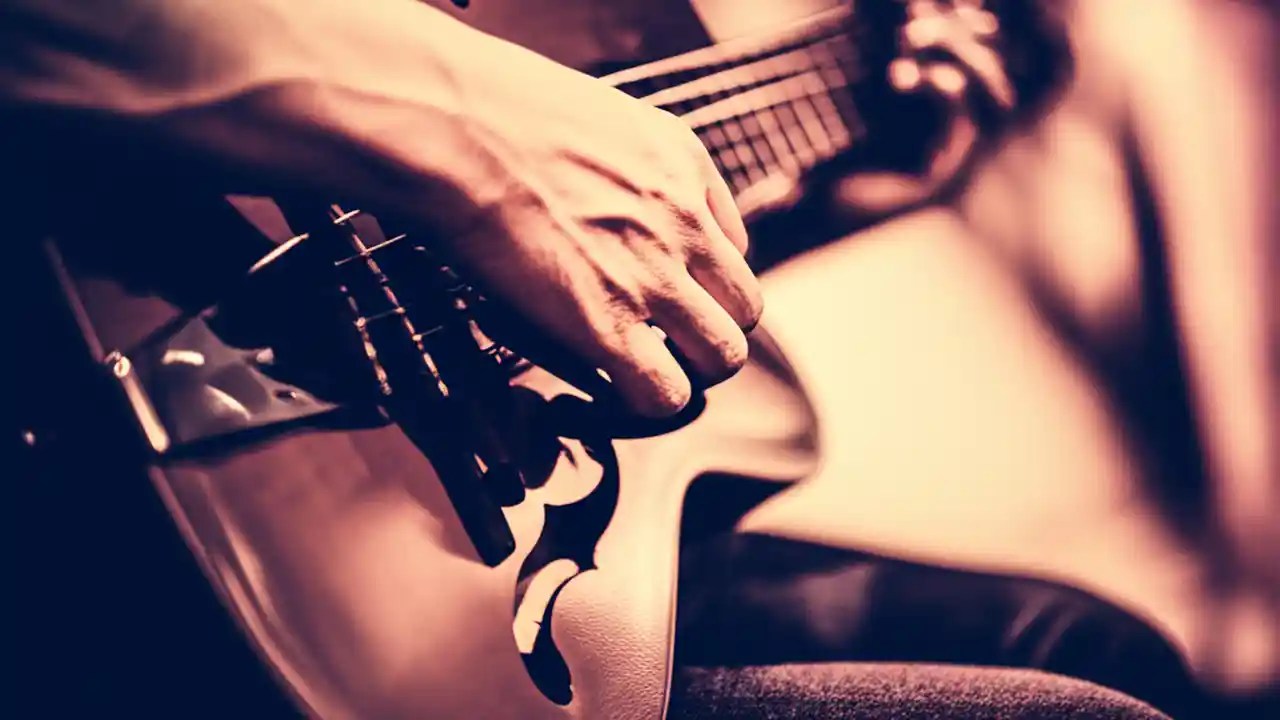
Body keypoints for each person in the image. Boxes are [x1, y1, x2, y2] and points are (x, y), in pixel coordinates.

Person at [4, 1, 1200, 718]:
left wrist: (798, 188)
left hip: (366, 534)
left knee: (1089, 646)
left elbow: (474, 253)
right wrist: (457, 130)